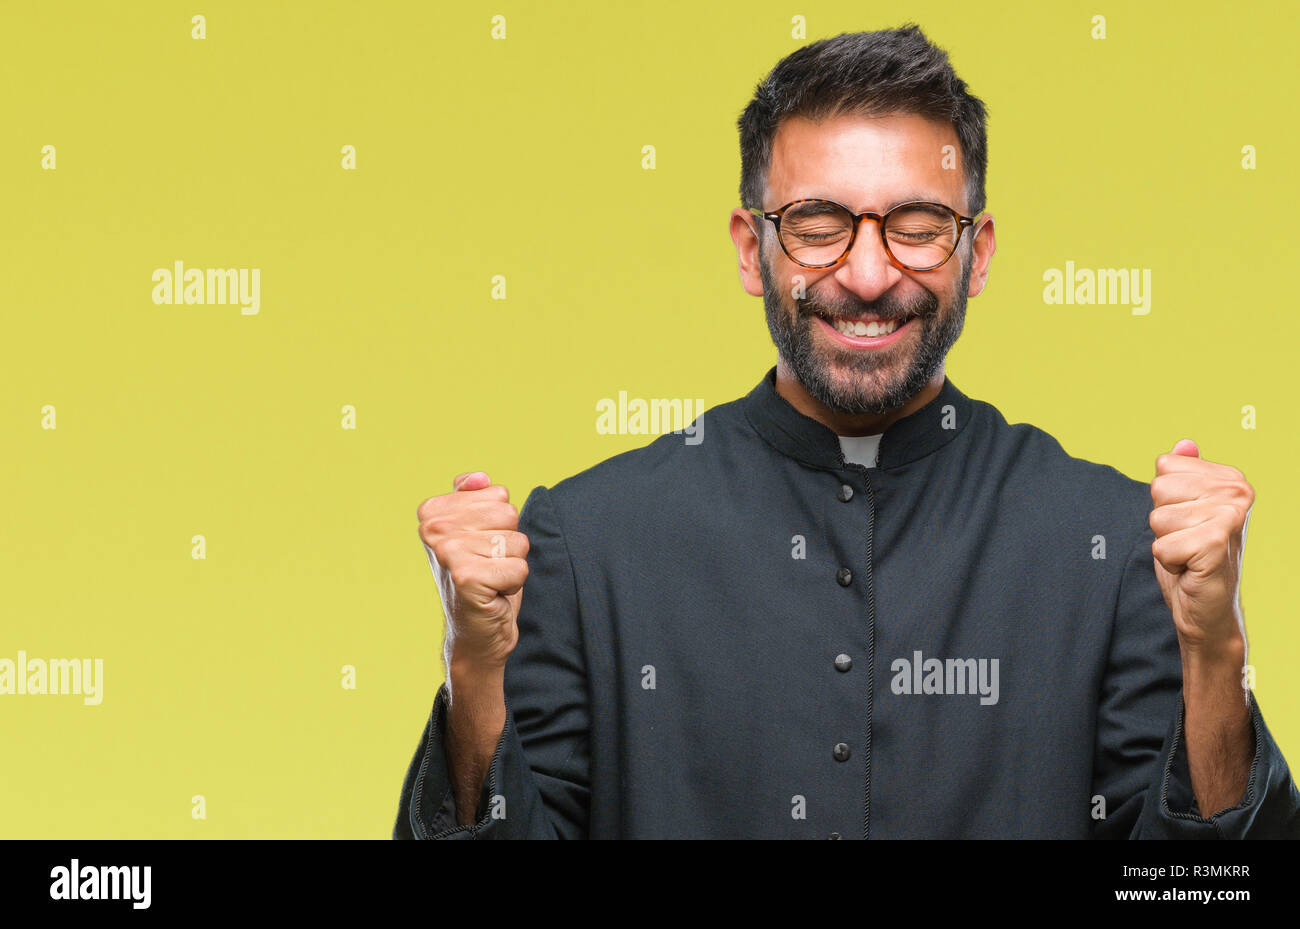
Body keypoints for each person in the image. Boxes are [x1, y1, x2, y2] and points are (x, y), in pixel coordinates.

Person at [393, 24, 1300, 839]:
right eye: (820, 225)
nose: (868, 275)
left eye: (915, 226)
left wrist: (1216, 645)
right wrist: (474, 666)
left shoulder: (1115, 548)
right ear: (754, 251)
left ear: (976, 255)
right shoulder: (584, 542)